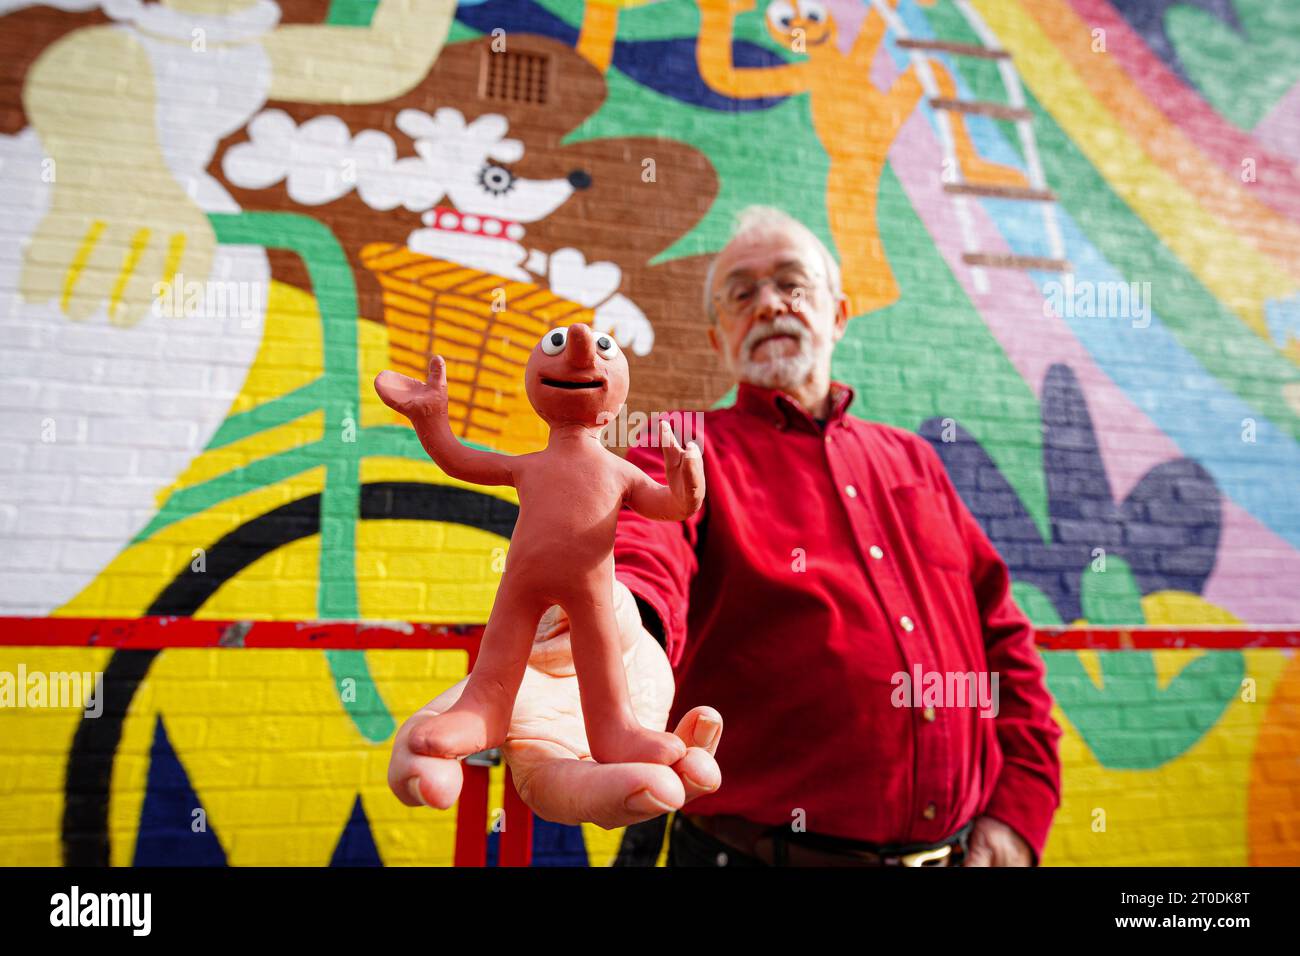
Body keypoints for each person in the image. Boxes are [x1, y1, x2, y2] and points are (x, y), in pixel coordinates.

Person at [388, 205, 1063, 867]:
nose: (769, 304)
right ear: (720, 340)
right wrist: (620, 634)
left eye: (792, 284)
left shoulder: (916, 462)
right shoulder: (681, 449)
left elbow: (1003, 635)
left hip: (965, 851)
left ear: (839, 313)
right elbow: (643, 554)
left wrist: (1021, 810)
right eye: (742, 295)